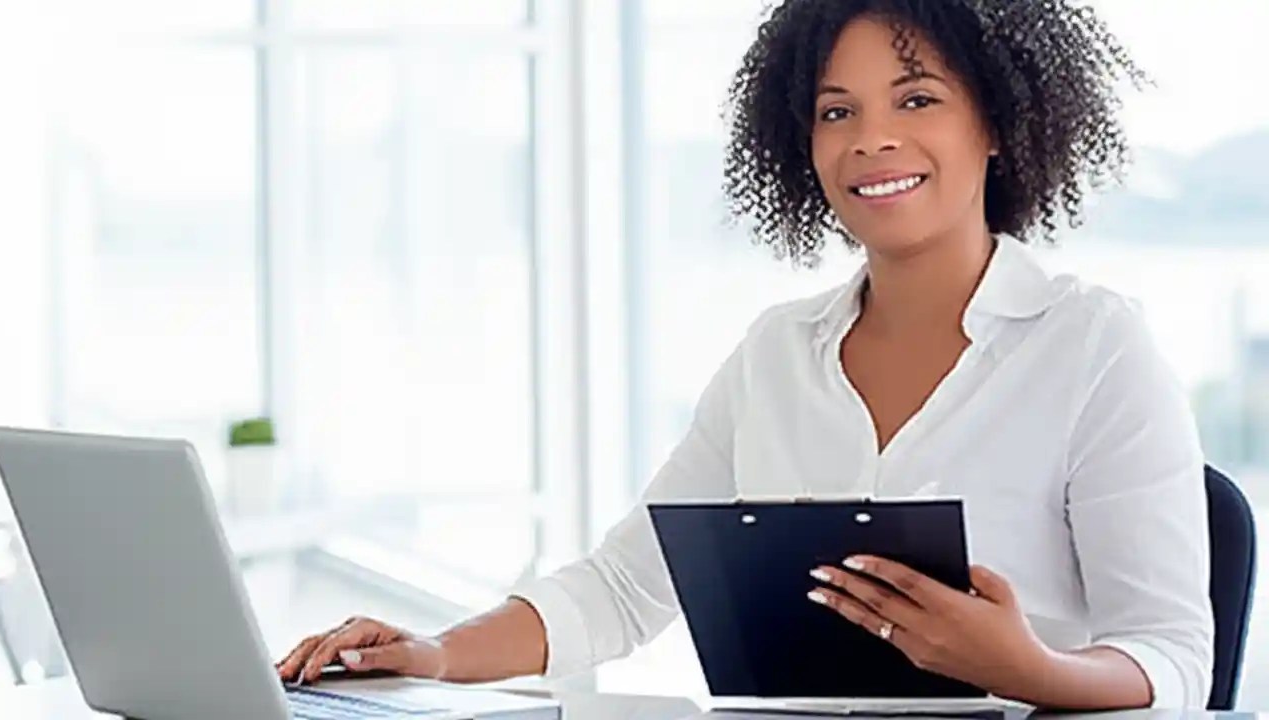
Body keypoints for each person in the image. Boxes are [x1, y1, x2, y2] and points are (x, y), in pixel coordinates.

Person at [276, 0, 1215, 710]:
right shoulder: (777, 354)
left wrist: (1029, 669)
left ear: (999, 123)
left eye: (917, 98)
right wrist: (434, 654)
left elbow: (1173, 656)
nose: (872, 138)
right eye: (835, 112)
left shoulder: (1095, 347)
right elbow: (623, 586)